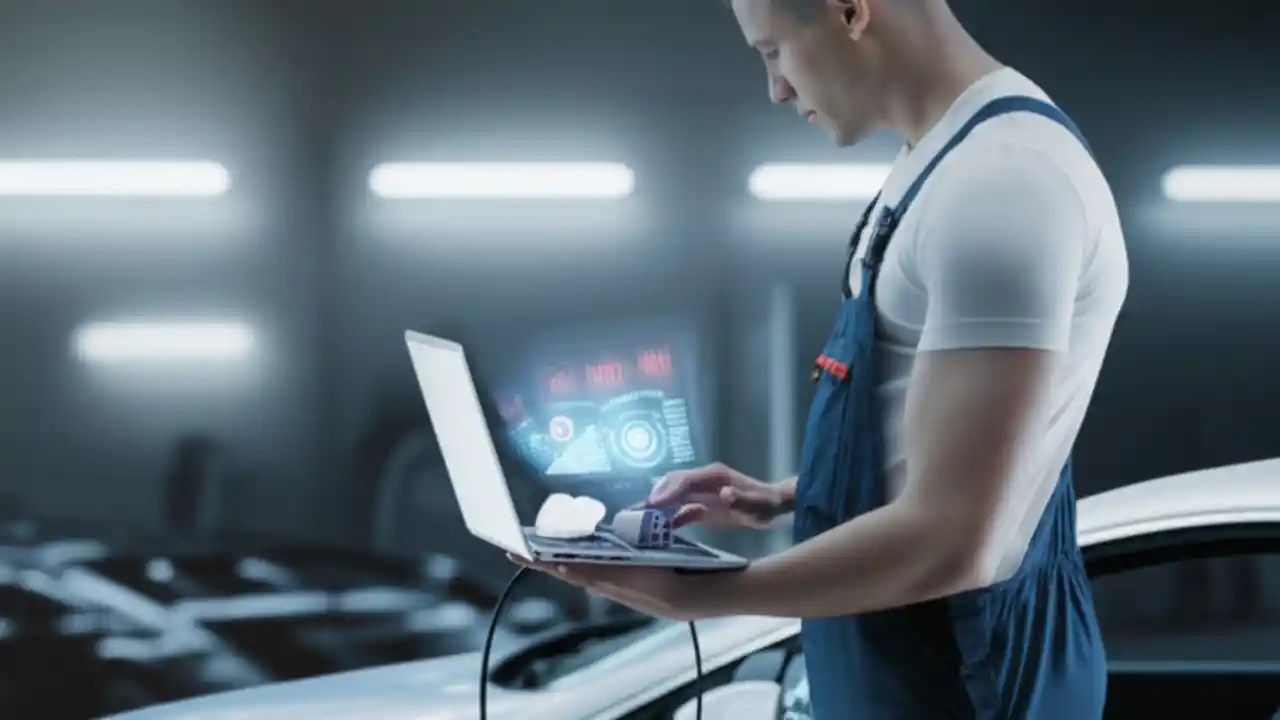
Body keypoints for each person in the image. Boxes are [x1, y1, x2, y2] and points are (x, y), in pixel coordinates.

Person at [511, 1, 1128, 717]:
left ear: (850, 10)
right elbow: (959, 451)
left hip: (965, 686)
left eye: (773, 50)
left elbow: (956, 538)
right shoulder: (937, 164)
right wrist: (789, 496)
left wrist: (707, 598)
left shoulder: (1005, 183)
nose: (775, 87)